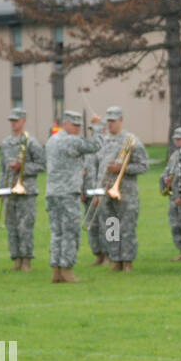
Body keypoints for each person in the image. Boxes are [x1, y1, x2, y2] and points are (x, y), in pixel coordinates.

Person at [44, 110, 100, 282]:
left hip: (53, 192)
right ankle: (67, 270)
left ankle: (56, 270)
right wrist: (97, 126)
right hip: (68, 193)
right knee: (71, 232)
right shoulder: (71, 140)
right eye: (74, 125)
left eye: (79, 126)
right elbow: (95, 145)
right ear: (65, 124)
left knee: (57, 232)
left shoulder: (52, 140)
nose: (77, 129)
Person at [92, 106, 149, 272]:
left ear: (121, 120)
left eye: (113, 121)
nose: (110, 124)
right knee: (111, 226)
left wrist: (123, 169)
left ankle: (127, 261)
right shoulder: (103, 141)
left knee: (127, 227)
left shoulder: (132, 141)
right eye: (108, 121)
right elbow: (99, 168)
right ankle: (115, 259)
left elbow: (143, 166)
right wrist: (97, 191)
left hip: (126, 192)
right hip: (106, 191)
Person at [0, 108, 46, 272]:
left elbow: (42, 165)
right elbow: (3, 168)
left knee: (25, 227)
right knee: (11, 227)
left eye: (16, 120)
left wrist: (23, 167)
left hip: (27, 190)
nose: (13, 123)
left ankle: (27, 260)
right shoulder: (6, 143)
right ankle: (16, 259)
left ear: (24, 121)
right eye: (11, 120)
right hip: (10, 190)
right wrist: (1, 189)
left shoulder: (31, 142)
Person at [82, 115, 109, 266]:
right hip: (88, 192)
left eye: (97, 130)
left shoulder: (107, 147)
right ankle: (98, 253)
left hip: (102, 193)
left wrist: (100, 192)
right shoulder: (88, 149)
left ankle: (112, 255)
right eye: (92, 130)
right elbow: (83, 170)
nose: (94, 133)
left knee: (109, 224)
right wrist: (81, 190)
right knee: (92, 225)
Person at [163, 127, 181, 261]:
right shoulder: (174, 155)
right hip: (174, 196)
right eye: (176, 139)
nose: (177, 142)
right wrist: (165, 180)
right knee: (176, 224)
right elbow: (167, 171)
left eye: (180, 139)